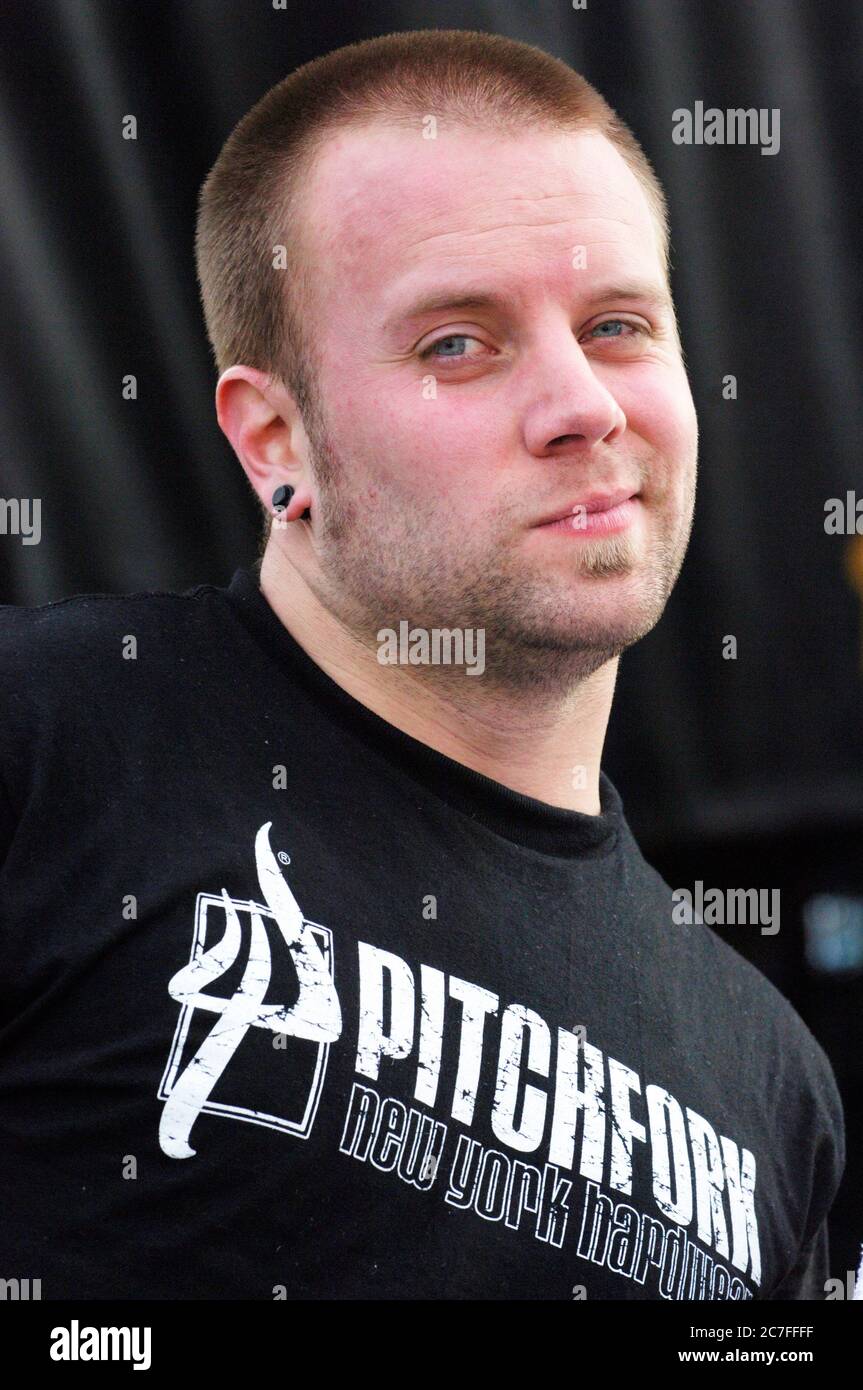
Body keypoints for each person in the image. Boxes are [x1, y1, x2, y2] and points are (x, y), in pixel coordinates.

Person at [0, 29, 844, 1301]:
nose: (582, 406)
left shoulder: (772, 1082)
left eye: (616, 324)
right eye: (458, 343)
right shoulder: (49, 747)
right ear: (275, 439)